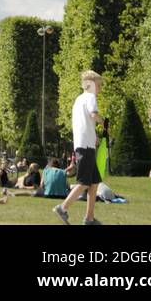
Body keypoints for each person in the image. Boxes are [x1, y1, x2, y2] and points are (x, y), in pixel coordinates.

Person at [53, 69, 103, 226]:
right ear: (91, 85)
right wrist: (104, 122)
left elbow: (83, 123)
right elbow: (94, 115)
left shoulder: (79, 99)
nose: (100, 88)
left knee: (94, 183)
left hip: (83, 143)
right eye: (99, 85)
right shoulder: (91, 97)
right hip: (86, 146)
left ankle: (89, 218)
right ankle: (62, 207)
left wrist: (94, 137)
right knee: (83, 182)